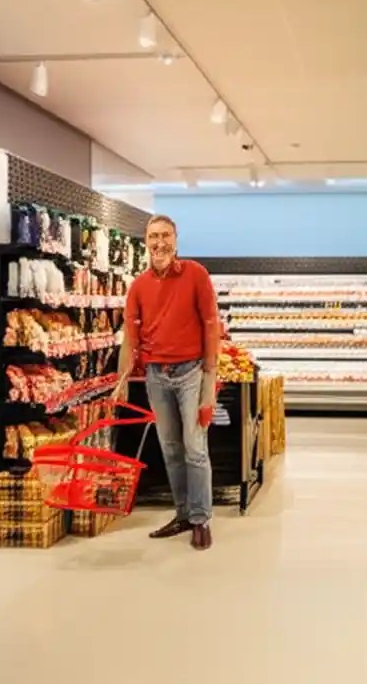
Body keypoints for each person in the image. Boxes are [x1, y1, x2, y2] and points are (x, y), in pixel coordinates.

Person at [113, 214, 219, 550]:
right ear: (146, 242)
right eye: (153, 237)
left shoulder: (196, 274)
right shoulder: (139, 286)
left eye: (166, 236)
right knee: (171, 450)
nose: (159, 243)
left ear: (176, 240)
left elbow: (210, 324)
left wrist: (209, 382)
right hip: (156, 376)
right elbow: (130, 338)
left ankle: (201, 519)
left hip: (191, 372)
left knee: (195, 448)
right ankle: (183, 513)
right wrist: (122, 380)